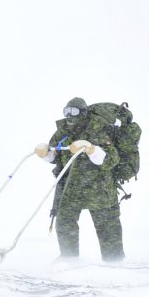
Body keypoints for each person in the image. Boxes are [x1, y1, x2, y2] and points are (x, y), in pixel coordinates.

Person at [34, 97, 124, 261]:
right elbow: (57, 155)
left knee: (108, 229)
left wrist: (92, 150)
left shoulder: (98, 129)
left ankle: (115, 264)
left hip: (100, 189)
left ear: (83, 113)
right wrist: (46, 154)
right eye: (66, 111)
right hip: (72, 188)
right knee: (64, 222)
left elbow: (112, 159)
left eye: (73, 111)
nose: (69, 115)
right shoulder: (63, 130)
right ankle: (69, 261)